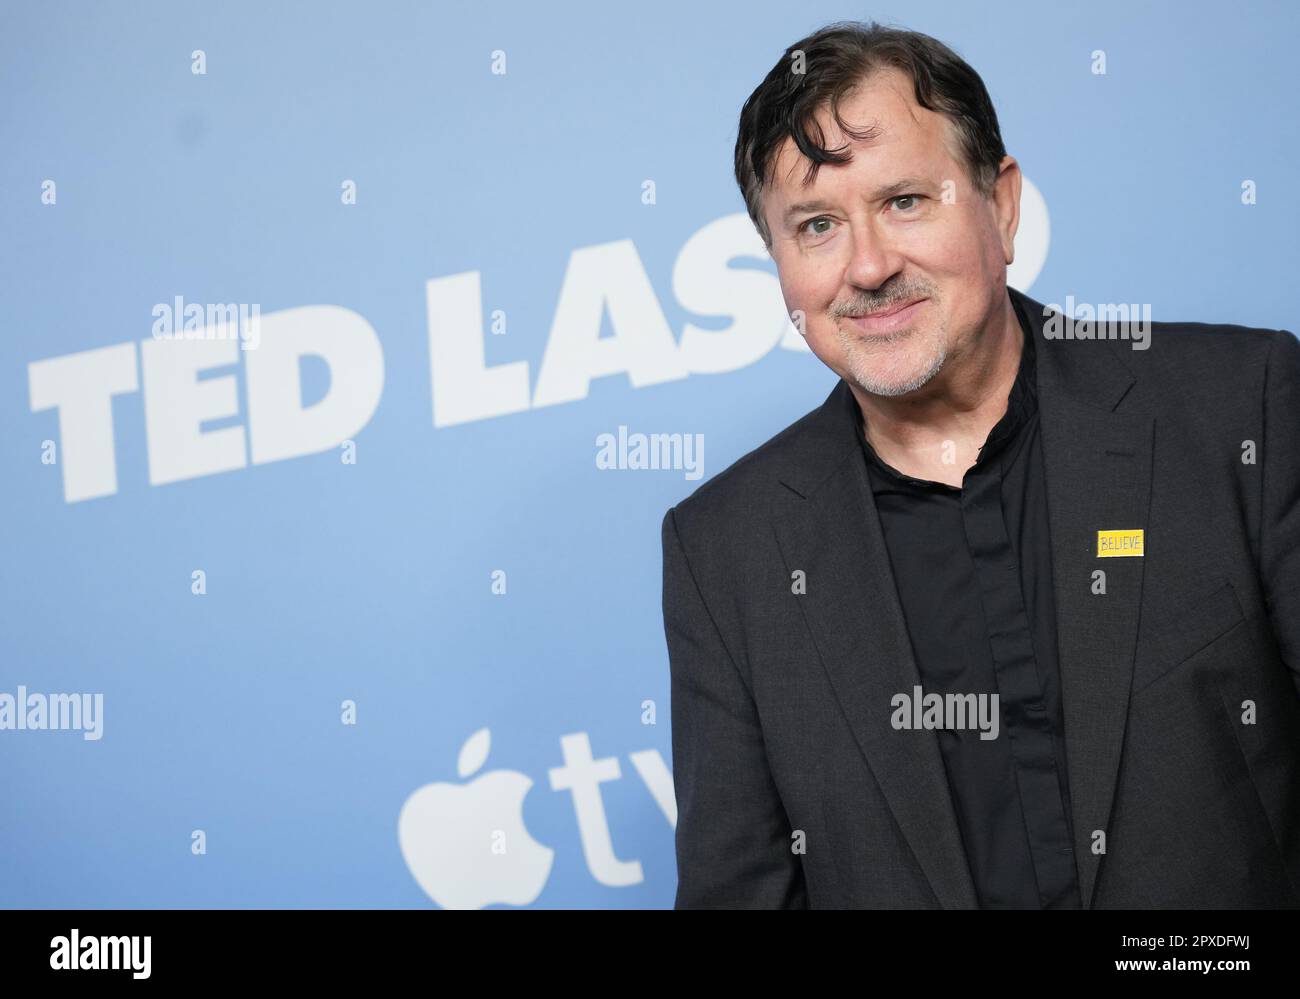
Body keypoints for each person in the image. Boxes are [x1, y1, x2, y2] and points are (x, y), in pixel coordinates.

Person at [661, 20, 1300, 909]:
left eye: (906, 202)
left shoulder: (1239, 407)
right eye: (816, 226)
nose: (870, 265)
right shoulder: (725, 551)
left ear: (1000, 205)